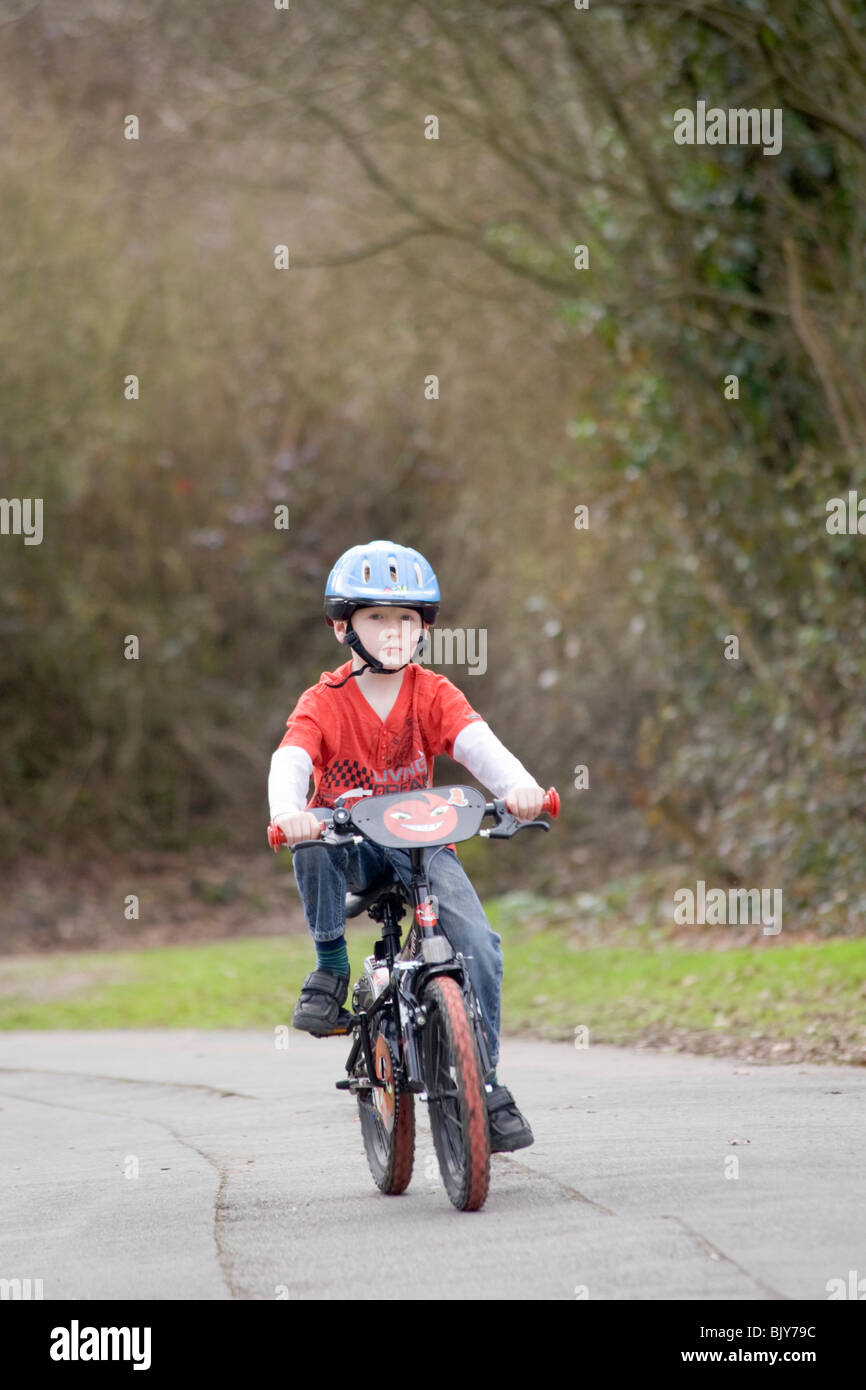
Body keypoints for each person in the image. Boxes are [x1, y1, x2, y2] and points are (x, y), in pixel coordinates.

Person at [268, 539, 547, 1153]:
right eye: (376, 617)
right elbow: (290, 757)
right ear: (344, 626)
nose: (393, 631)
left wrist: (520, 789)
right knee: (313, 836)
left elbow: (479, 745)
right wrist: (290, 813)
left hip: (421, 843)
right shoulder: (324, 702)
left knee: (478, 945)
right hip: (353, 843)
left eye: (406, 619)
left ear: (423, 629)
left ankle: (487, 1086)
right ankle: (331, 967)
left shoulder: (433, 692)